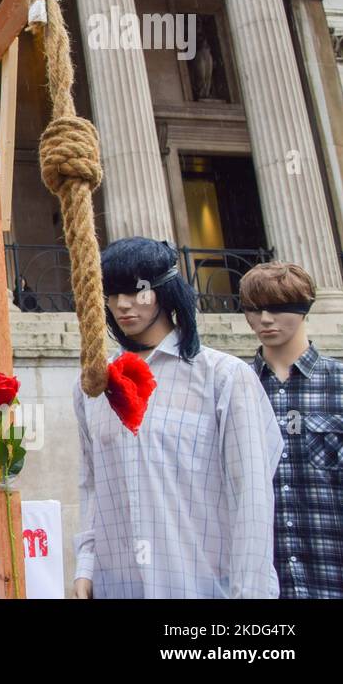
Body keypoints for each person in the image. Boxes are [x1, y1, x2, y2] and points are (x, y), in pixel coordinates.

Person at [74, 238, 282, 599]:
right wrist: (86, 566)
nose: (123, 305)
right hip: (116, 585)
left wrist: (251, 593)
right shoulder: (93, 388)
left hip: (200, 586)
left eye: (136, 291)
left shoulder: (223, 377)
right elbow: (92, 484)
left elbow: (252, 494)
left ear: (165, 290)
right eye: (112, 293)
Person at [240, 261, 343, 599]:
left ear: (303, 308)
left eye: (277, 308)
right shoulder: (234, 389)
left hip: (330, 573)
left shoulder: (340, 384)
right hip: (261, 582)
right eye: (254, 310)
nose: (264, 319)